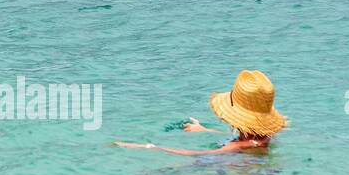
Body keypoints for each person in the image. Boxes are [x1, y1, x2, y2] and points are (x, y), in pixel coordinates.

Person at [114, 69, 288, 155]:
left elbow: (198, 154)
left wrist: (151, 147)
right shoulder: (265, 136)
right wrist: (205, 130)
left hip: (238, 171)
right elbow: (248, 139)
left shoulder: (239, 145)